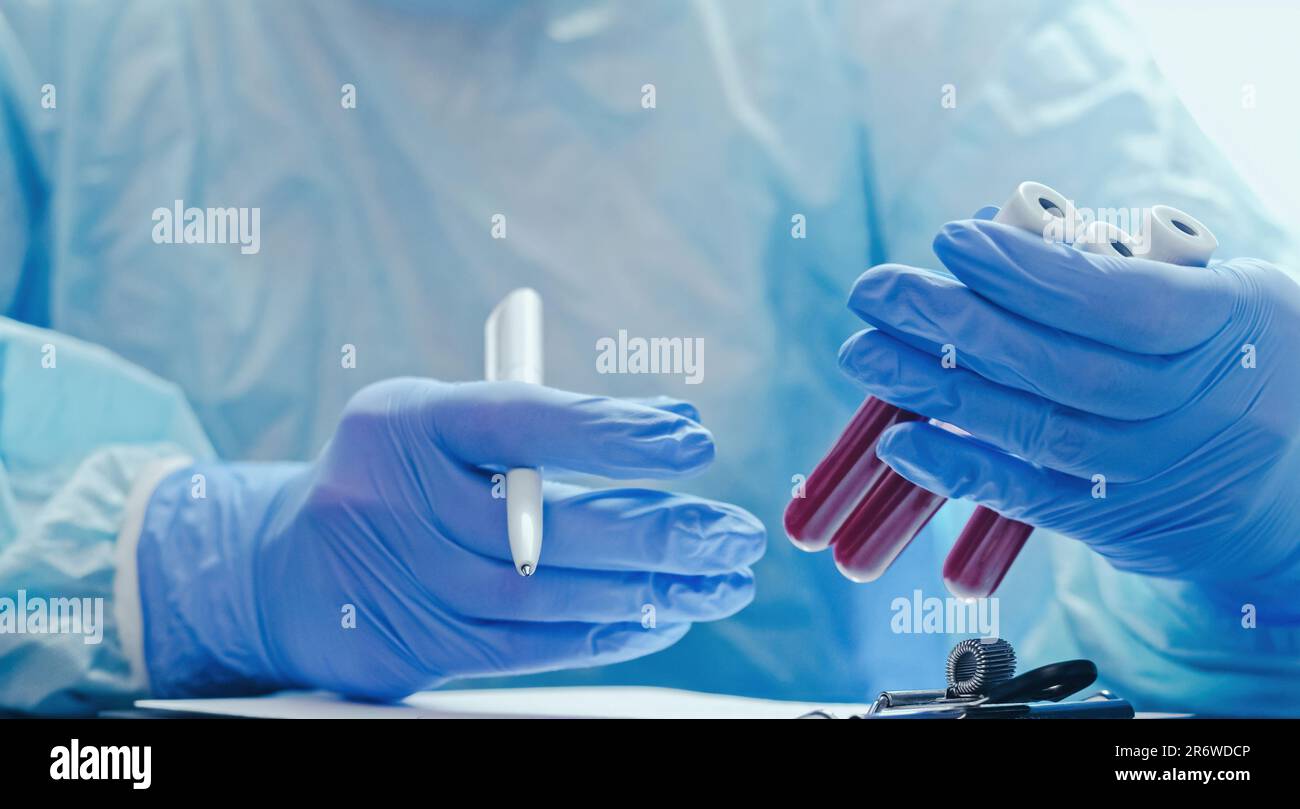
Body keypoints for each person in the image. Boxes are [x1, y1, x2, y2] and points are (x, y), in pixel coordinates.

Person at [1, 0, 1297, 716]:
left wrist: (1267, 517)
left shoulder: (931, 36)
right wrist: (178, 567)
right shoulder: (55, 41)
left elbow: (1151, 254)